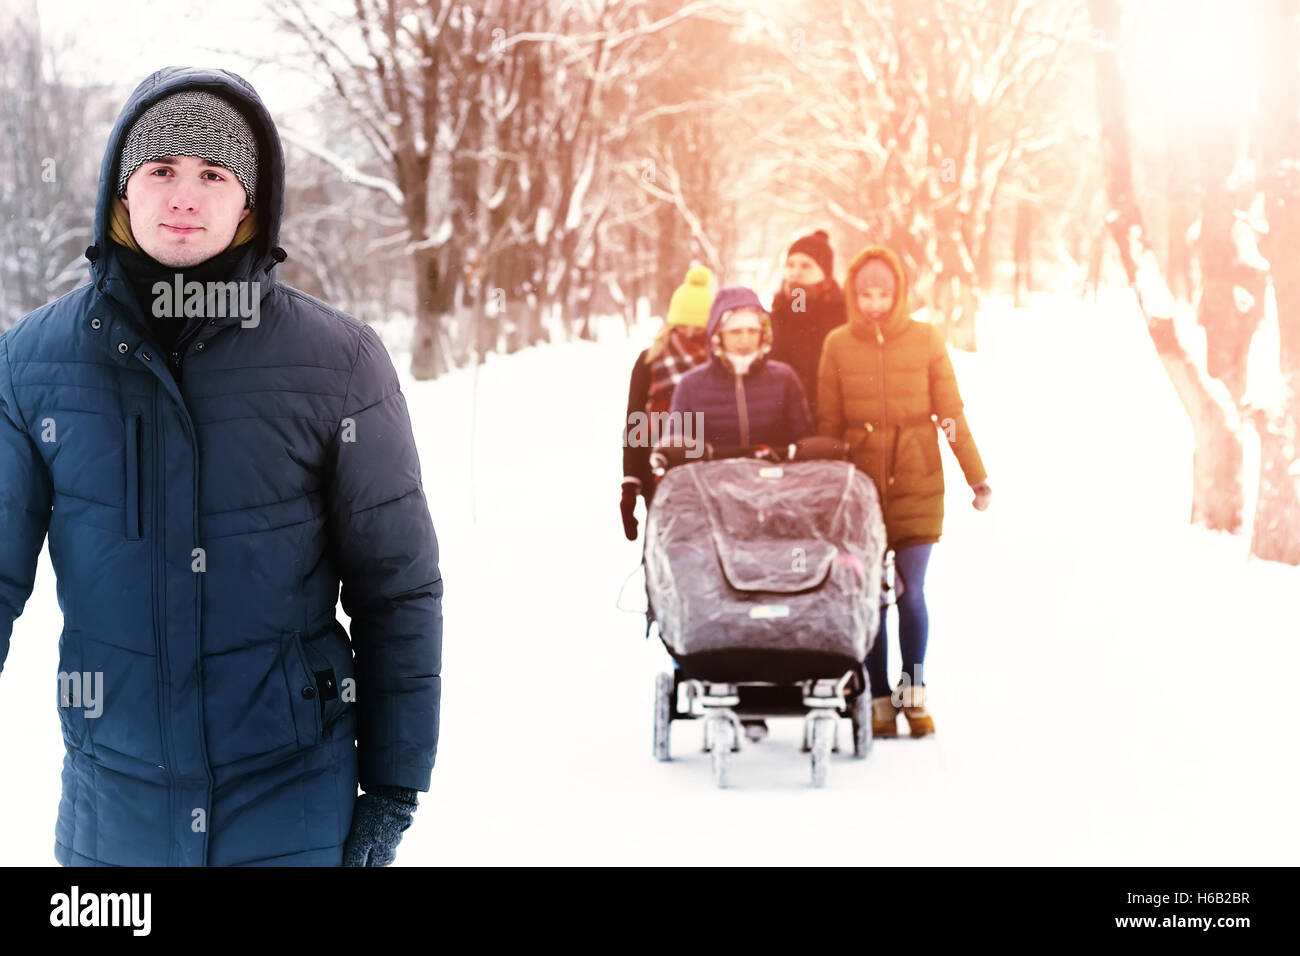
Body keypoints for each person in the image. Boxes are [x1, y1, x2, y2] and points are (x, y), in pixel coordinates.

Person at [0, 68, 442, 866]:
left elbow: (396, 590)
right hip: (112, 805)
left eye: (214, 174)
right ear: (120, 191)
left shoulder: (338, 362)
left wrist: (393, 787)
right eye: (161, 170)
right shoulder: (33, 363)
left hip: (291, 795)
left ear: (249, 202)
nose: (184, 196)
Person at [817, 246, 992, 739]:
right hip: (861, 491)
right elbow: (827, 424)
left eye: (883, 294)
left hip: (918, 480)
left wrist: (974, 475)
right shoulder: (837, 344)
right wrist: (829, 489)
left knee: (911, 591)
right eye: (866, 294)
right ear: (854, 294)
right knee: (871, 596)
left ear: (898, 295)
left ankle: (912, 691)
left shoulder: (926, 339)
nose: (874, 303)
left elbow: (951, 415)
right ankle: (876, 697)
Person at [665, 286, 814, 741]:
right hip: (718, 512)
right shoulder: (691, 386)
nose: (745, 340)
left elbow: (805, 441)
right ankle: (722, 668)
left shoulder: (784, 379)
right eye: (736, 332)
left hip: (776, 507)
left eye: (753, 330)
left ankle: (785, 669)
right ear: (717, 336)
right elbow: (679, 448)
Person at [620, 265, 713, 541]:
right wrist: (630, 482)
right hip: (657, 469)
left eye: (698, 328)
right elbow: (636, 422)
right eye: (683, 324)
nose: (689, 333)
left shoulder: (719, 363)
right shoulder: (650, 360)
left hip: (707, 471)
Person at [769, 229, 846, 422]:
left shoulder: (842, 315)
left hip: (831, 418)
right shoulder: (777, 315)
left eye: (806, 266)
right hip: (785, 420)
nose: (796, 272)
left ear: (824, 273)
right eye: (790, 264)